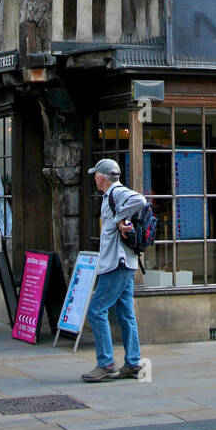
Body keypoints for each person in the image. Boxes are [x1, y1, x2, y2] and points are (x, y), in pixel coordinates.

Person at [82, 158, 145, 382]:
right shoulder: (111, 196)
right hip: (125, 263)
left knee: (96, 311)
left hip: (116, 264)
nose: (94, 179)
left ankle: (106, 363)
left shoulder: (116, 193)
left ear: (100, 177)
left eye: (95, 175)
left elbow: (141, 199)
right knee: (125, 313)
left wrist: (118, 219)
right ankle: (133, 363)